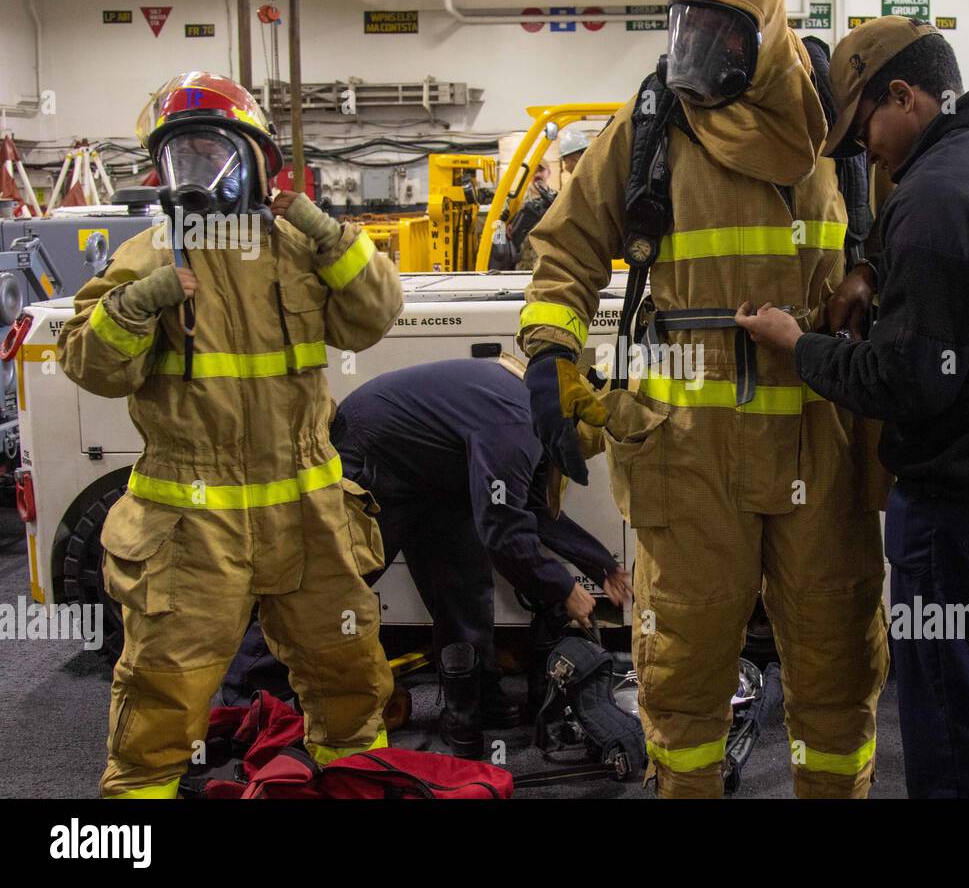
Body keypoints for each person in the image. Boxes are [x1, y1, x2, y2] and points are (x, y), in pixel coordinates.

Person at [518, 0, 889, 798]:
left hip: (822, 441)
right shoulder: (650, 126)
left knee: (836, 665)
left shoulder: (839, 129)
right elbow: (565, 252)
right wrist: (549, 356)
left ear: (766, 31)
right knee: (681, 671)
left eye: (723, 35)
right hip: (688, 450)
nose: (700, 54)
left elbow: (912, 247)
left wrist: (873, 278)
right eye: (688, 29)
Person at [736, 16, 969, 798]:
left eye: (865, 128)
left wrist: (794, 346)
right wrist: (875, 268)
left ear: (904, 95)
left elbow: (907, 382)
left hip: (964, 515)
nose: (867, 153)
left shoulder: (936, 191)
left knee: (960, 727)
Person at [57, 71, 402, 798]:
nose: (198, 175)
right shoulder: (149, 258)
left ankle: (354, 781)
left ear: (258, 162)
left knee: (347, 674)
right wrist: (139, 304)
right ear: (160, 171)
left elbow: (373, 313)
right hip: (191, 522)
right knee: (163, 696)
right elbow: (91, 366)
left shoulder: (300, 249)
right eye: (181, 157)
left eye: (214, 153)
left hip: (308, 511)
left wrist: (319, 224)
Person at [328, 355, 630, 756]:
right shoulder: (515, 425)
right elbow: (504, 533)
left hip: (436, 470)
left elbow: (533, 511)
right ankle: (257, 693)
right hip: (373, 451)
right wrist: (563, 587)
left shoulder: (535, 411)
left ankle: (468, 716)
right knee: (335, 588)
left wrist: (602, 564)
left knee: (465, 586)